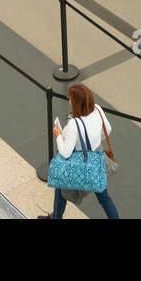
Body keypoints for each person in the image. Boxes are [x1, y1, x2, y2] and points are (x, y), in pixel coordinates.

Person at [46, 84, 120, 219]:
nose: (68, 99)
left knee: (61, 188)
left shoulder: (74, 124)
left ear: (76, 103)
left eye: (70, 98)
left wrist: (58, 135)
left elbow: (65, 152)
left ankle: (56, 217)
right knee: (104, 198)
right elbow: (107, 130)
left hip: (80, 161)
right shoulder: (97, 109)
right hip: (97, 158)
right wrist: (94, 142)